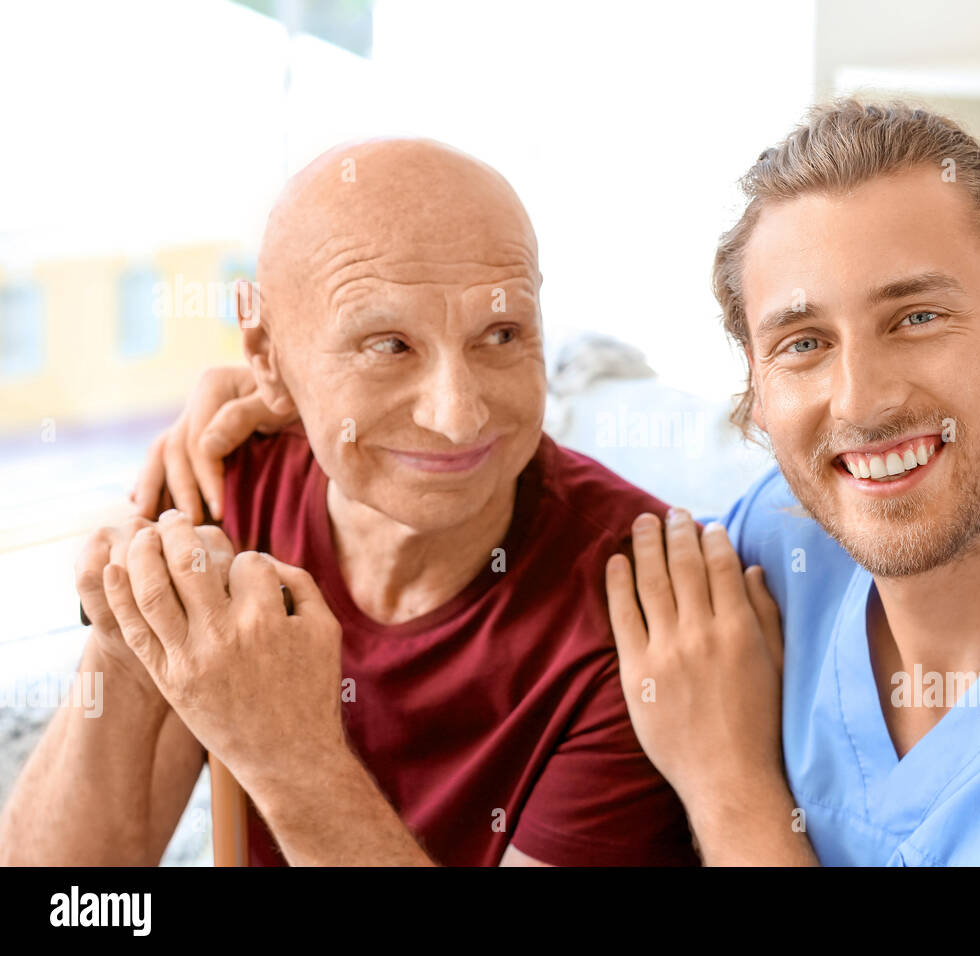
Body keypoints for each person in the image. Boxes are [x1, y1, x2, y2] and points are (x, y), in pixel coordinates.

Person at [102, 101, 980, 866]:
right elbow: (505, 462)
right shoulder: (771, 545)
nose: (862, 398)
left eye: (917, 316)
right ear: (755, 387)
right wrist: (284, 397)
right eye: (800, 343)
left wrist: (730, 789)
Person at [0, 137, 741, 866]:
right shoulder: (227, 490)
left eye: (502, 334)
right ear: (264, 355)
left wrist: (289, 753)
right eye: (388, 345)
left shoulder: (645, 611)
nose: (459, 416)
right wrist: (126, 637)